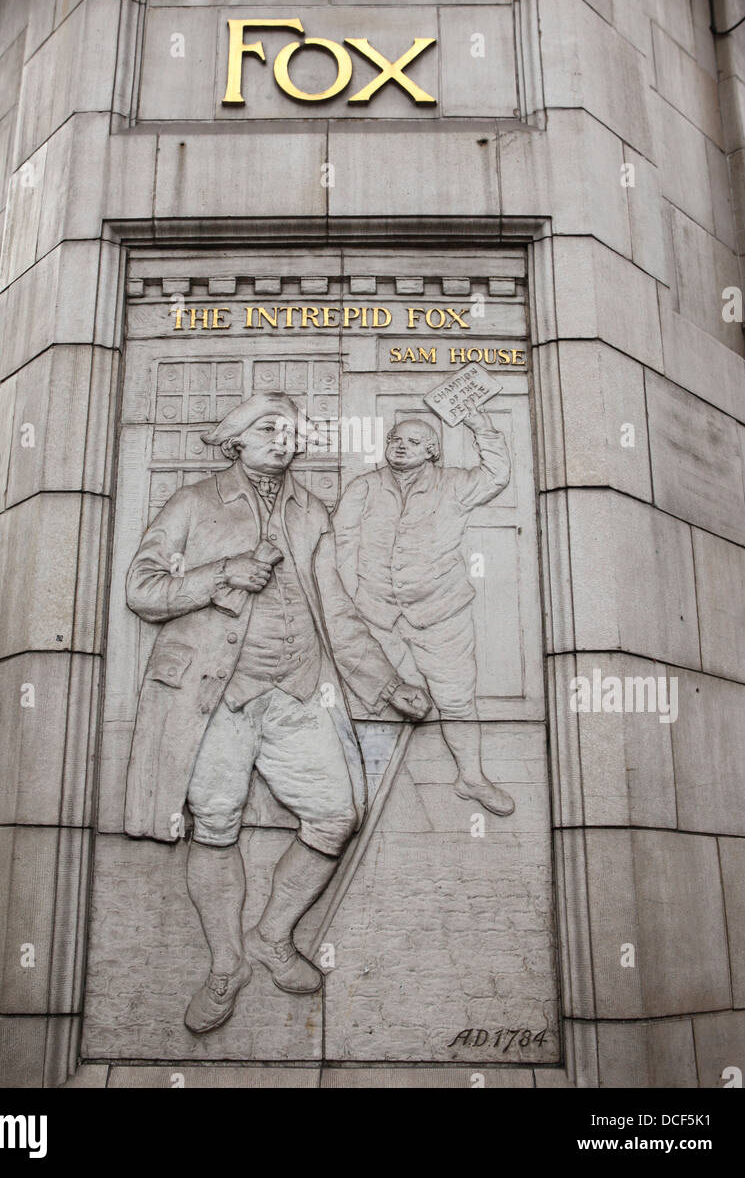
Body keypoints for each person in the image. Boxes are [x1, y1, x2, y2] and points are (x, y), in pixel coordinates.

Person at [123, 391, 429, 1034]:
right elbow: (142, 589)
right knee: (215, 822)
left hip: (297, 688)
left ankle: (273, 935)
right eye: (269, 427)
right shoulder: (193, 503)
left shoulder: (310, 509)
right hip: (214, 694)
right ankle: (225, 964)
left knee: (337, 813)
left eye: (292, 431)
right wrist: (223, 572)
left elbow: (337, 608)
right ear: (235, 435)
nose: (283, 439)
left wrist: (384, 680)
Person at [333, 408, 514, 815]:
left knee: (456, 698)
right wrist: (353, 598)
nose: (401, 447)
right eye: (395, 439)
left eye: (413, 442)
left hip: (440, 611)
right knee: (366, 695)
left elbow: (497, 476)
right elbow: (342, 544)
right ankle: (352, 787)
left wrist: (482, 429)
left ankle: (471, 777)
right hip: (375, 613)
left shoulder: (454, 484)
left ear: (432, 450)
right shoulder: (364, 487)